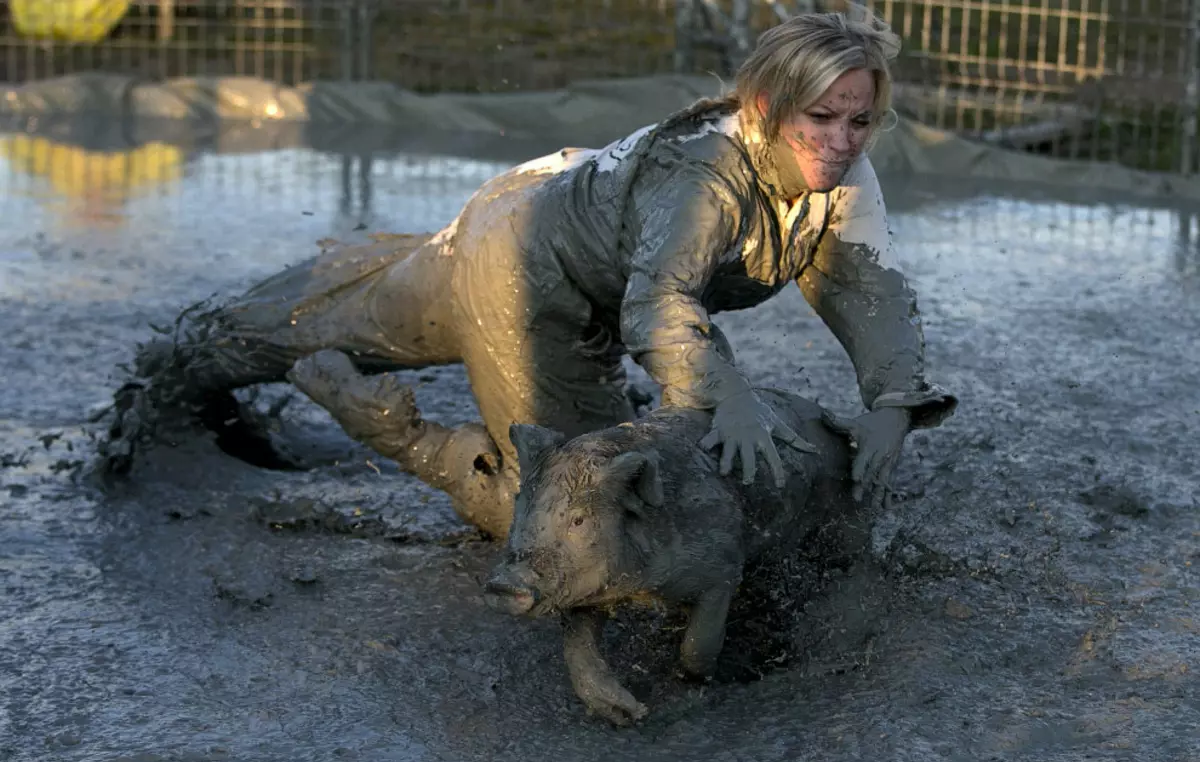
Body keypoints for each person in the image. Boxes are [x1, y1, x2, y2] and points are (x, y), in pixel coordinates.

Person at [101, 5, 956, 539]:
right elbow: (661, 302)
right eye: (823, 118)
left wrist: (894, 401)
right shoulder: (704, 174)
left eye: (861, 120)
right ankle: (388, 427)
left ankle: (212, 354)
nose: (844, 141)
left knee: (616, 472)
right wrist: (722, 394)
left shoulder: (843, 173)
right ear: (765, 109)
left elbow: (865, 285)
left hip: (564, 222)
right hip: (521, 268)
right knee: (564, 512)